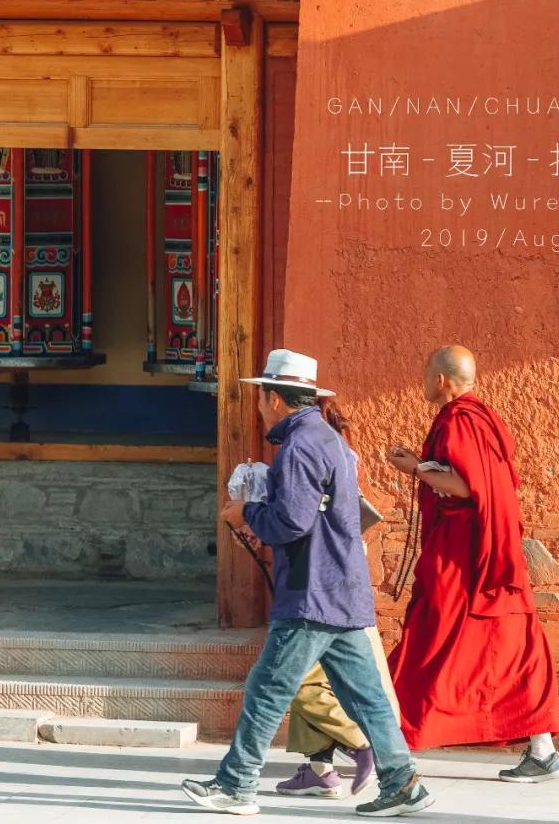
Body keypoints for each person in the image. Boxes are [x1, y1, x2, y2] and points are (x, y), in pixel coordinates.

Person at [181, 349, 432, 819]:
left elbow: (292, 521)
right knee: (367, 697)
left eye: (262, 397)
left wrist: (246, 513)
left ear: (275, 399)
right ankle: (402, 782)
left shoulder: (299, 445)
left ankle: (236, 784)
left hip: (311, 592)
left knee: (267, 688)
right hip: (341, 589)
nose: (259, 405)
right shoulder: (327, 439)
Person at [386, 344, 559, 782]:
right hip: (489, 554)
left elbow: (467, 486)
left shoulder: (460, 420)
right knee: (513, 649)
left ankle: (386, 738)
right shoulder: (477, 417)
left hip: (465, 556)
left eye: (427, 372)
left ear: (442, 381)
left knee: (432, 638)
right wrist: (424, 465)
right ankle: (543, 750)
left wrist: (415, 469)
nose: (423, 379)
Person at [277, 399, 395, 800]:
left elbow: (297, 518)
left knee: (295, 675)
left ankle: (362, 745)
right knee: (318, 673)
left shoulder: (310, 450)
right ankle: (320, 769)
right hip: (337, 578)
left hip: (321, 580)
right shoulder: (339, 450)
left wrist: (255, 512)